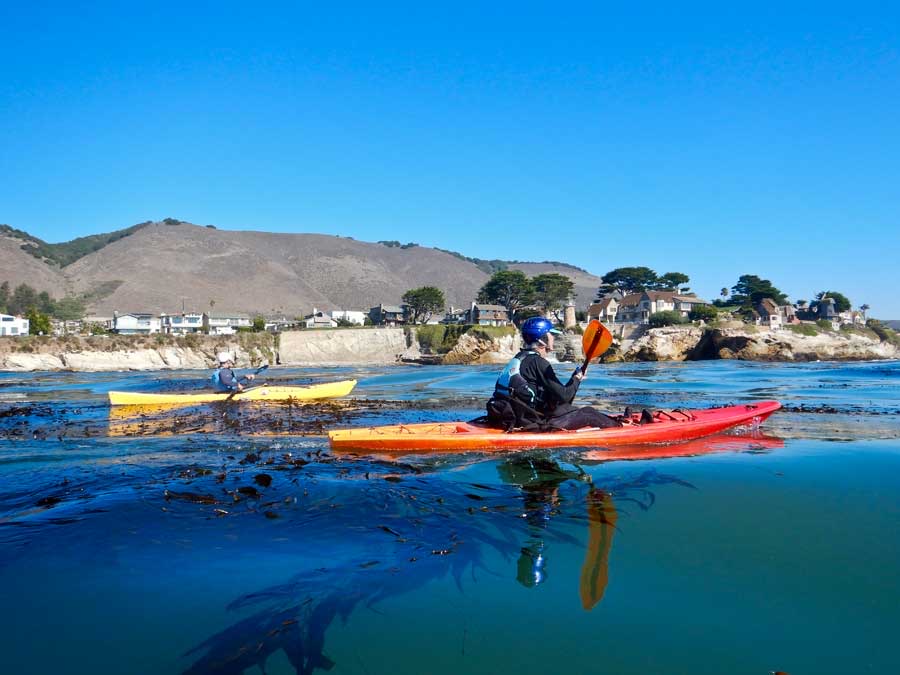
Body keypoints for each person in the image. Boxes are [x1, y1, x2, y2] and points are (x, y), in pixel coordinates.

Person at [486, 317, 621, 431]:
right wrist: (577, 379)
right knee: (589, 413)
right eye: (552, 335)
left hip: (509, 418)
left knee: (567, 409)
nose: (554, 339)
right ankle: (619, 429)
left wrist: (575, 378)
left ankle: (614, 422)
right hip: (529, 424)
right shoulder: (539, 363)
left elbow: (562, 400)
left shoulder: (520, 358)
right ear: (542, 339)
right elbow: (564, 396)